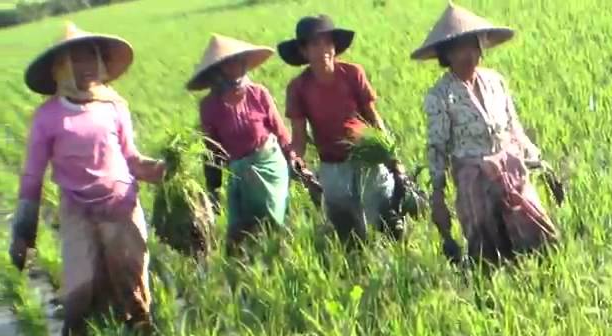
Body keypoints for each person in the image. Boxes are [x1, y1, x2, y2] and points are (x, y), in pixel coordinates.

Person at [9, 23, 166, 336]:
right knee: (80, 287)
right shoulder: (47, 117)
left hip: (121, 204)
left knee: (132, 280)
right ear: (61, 68)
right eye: (78, 61)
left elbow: (131, 158)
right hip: (78, 210)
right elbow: (32, 177)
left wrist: (162, 172)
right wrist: (23, 231)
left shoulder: (113, 105)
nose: (88, 67)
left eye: (92, 59)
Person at [414, 2, 558, 266]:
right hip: (474, 178)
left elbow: (513, 125)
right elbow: (437, 146)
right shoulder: (440, 96)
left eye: (472, 45)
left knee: (540, 239)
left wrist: (536, 159)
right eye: (459, 48)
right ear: (447, 55)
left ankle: (538, 285)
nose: (468, 54)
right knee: (488, 251)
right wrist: (437, 194)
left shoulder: (495, 81)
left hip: (510, 169)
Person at [189, 34, 317, 255]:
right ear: (218, 69)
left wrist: (297, 162)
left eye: (239, 61)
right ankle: (246, 271)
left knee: (271, 224)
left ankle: (281, 258)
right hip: (240, 173)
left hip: (269, 165)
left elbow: (280, 131)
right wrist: (213, 189)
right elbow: (213, 151)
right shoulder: (209, 106)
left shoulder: (258, 93)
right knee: (240, 233)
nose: (237, 67)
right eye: (229, 63)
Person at [278, 14, 399, 245]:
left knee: (385, 220)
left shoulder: (353, 74)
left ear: (335, 47)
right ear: (304, 52)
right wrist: (295, 160)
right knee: (349, 233)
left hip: (367, 156)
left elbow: (372, 116)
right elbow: (299, 138)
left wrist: (389, 152)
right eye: (314, 44)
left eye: (327, 42)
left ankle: (394, 267)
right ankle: (359, 271)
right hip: (332, 164)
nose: (323, 49)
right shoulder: (298, 88)